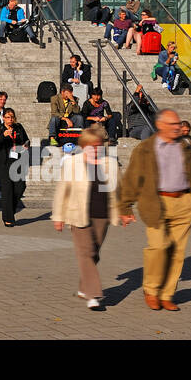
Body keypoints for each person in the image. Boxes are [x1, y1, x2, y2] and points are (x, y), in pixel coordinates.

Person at [118, 109, 191, 311]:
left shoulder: (186, 145)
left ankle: (167, 294)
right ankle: (151, 289)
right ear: (160, 126)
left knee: (177, 251)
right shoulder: (145, 149)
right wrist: (125, 206)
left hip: (183, 202)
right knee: (158, 248)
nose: (178, 127)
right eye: (173, 124)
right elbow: (132, 178)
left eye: (178, 124)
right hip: (156, 203)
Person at [52, 124, 122, 310]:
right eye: (91, 145)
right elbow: (62, 191)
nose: (95, 149)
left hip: (102, 216)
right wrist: (58, 216)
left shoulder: (111, 164)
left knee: (93, 254)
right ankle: (93, 294)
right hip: (78, 215)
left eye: (98, 145)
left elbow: (118, 191)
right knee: (86, 253)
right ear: (83, 146)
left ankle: (84, 287)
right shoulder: (72, 163)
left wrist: (124, 211)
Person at [0, 109, 30, 227]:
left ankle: (9, 211)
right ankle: (8, 219)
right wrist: (3, 135)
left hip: (17, 161)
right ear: (3, 118)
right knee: (7, 190)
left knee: (20, 187)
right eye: (7, 117)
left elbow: (26, 140)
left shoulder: (18, 127)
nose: (10, 119)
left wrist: (25, 146)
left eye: (12, 117)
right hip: (4, 163)